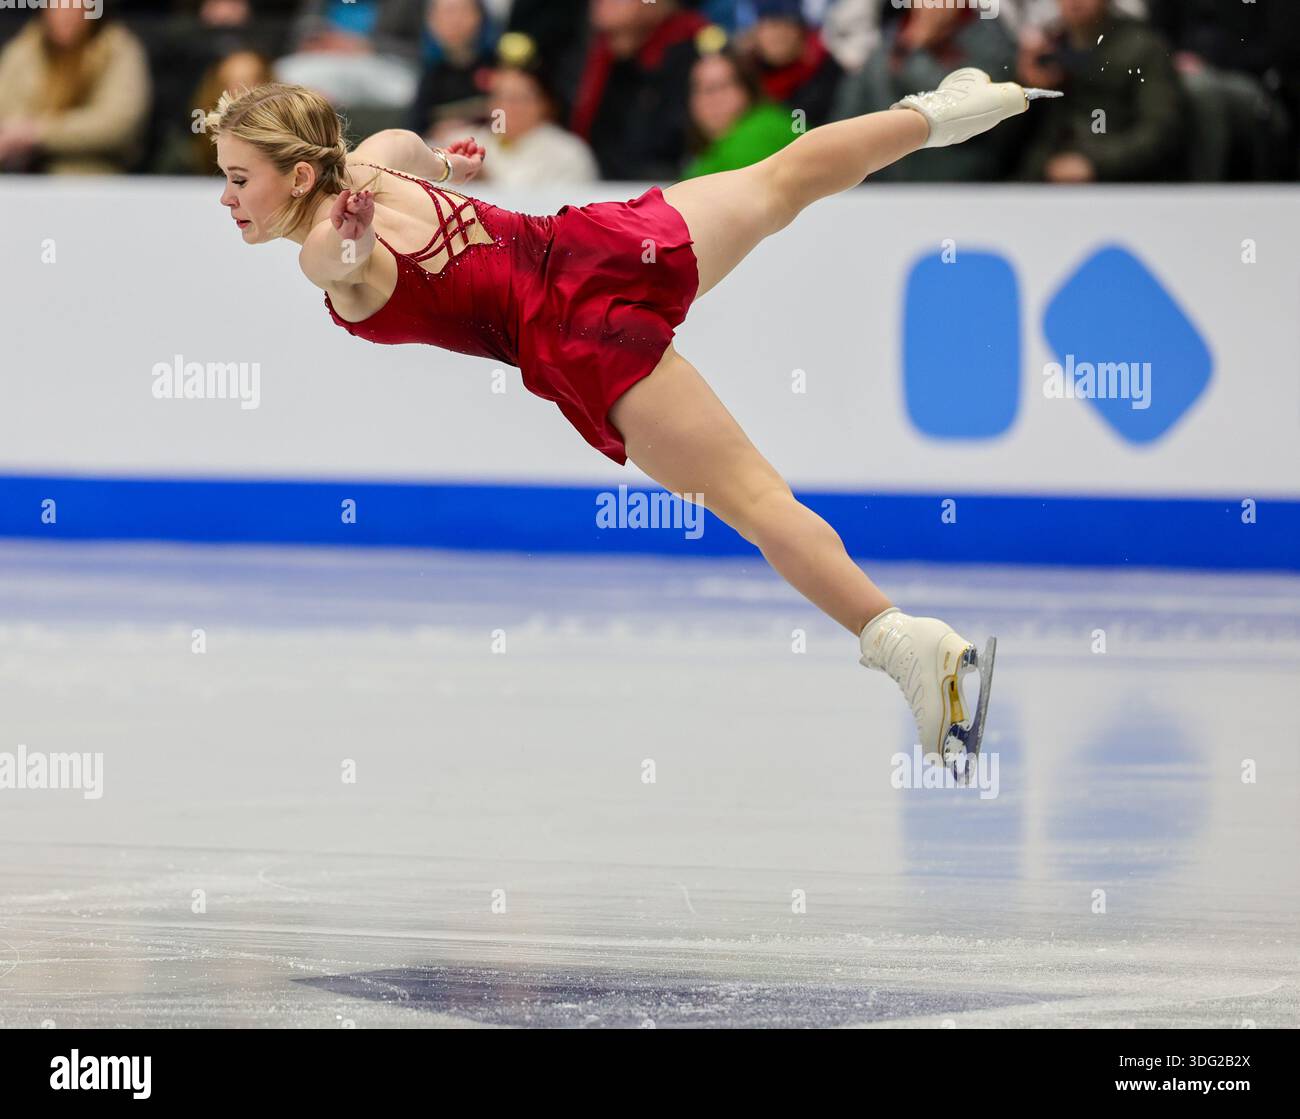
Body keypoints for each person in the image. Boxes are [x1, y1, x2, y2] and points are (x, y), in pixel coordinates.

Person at [207, 72, 1038, 772]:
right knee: (785, 179)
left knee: (754, 501)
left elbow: (339, 261)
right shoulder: (380, 158)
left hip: (582, 337)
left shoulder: (327, 250)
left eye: (241, 177)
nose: (228, 196)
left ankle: (909, 647)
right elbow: (418, 156)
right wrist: (449, 174)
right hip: (601, 244)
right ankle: (946, 110)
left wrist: (353, 241)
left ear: (304, 177)